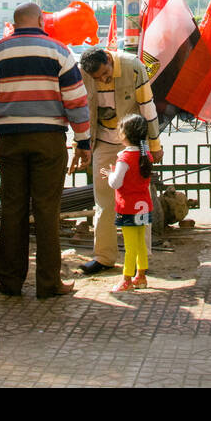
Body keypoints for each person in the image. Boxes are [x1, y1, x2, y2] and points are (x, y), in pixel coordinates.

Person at [0, 1, 90, 299]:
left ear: (14, 22)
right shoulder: (59, 52)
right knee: (47, 210)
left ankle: (10, 282)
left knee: (12, 209)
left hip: (9, 140)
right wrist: (84, 141)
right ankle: (49, 283)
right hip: (49, 140)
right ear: (40, 19)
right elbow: (76, 101)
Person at [77, 47, 163, 275]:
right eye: (98, 78)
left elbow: (147, 106)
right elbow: (81, 109)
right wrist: (80, 144)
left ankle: (139, 260)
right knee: (104, 202)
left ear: (108, 59)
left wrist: (154, 145)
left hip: (134, 143)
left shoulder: (133, 66)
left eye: (105, 74)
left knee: (138, 200)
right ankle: (104, 257)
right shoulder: (84, 73)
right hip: (102, 141)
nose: (103, 80)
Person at [100, 114, 154, 292]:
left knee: (130, 246)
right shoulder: (146, 155)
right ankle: (142, 275)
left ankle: (127, 279)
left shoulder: (124, 158)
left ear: (125, 135)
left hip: (128, 206)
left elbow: (116, 183)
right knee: (140, 243)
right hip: (144, 205)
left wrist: (110, 174)